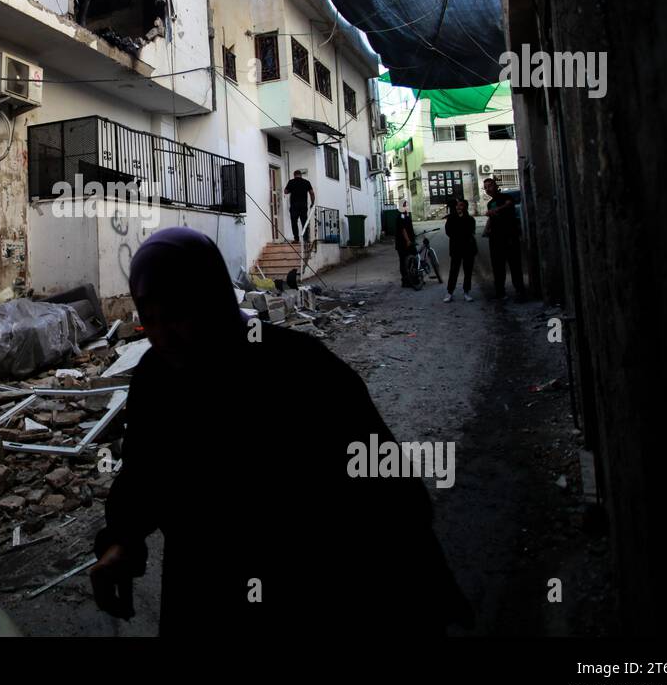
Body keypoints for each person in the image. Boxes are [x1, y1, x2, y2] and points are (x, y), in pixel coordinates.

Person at [89, 227, 472, 636]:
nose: (165, 334)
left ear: (211, 300)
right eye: (151, 318)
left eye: (179, 313)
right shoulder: (156, 379)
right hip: (202, 599)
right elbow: (145, 475)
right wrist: (122, 541)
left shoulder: (300, 369)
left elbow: (391, 496)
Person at [483, 177, 526, 301]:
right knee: (498, 267)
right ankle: (500, 292)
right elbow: (491, 218)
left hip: (510, 236)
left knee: (514, 265)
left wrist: (496, 210)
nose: (488, 189)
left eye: (490, 186)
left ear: (496, 186)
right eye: (485, 187)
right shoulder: (490, 203)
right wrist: (487, 229)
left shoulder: (506, 197)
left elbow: (509, 205)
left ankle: (520, 292)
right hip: (495, 239)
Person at [443, 198, 477, 302]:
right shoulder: (451, 219)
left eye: (461, 205)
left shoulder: (470, 219)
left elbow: (470, 232)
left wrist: (459, 234)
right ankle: (450, 292)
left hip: (468, 248)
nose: (458, 207)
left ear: (465, 207)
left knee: (468, 271)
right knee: (454, 271)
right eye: (457, 205)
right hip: (456, 248)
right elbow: (448, 231)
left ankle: (466, 292)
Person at [283, 170, 314, 243]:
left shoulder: (291, 182)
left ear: (294, 175)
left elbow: (285, 191)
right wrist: (312, 203)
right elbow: (312, 193)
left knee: (294, 222)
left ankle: (296, 239)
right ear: (301, 175)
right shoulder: (306, 182)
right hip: (303, 205)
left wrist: (291, 189)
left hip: (294, 206)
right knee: (304, 222)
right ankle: (306, 239)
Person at [395, 199, 416, 286]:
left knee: (412, 260)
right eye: (404, 205)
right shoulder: (400, 216)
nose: (406, 207)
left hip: (410, 242)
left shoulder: (407, 215)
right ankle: (405, 281)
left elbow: (409, 228)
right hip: (403, 243)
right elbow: (403, 229)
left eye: (407, 205)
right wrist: (407, 240)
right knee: (404, 262)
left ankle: (413, 279)